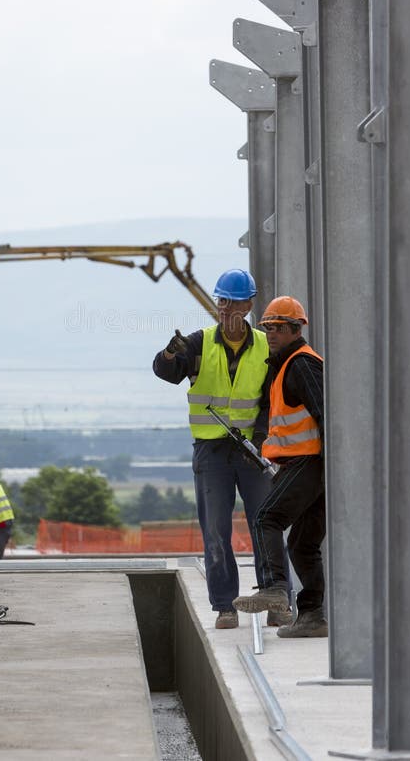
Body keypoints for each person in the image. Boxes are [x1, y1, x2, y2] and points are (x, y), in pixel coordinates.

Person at [153, 269, 292, 630]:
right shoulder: (199, 343)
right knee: (215, 529)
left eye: (235, 301)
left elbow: (272, 399)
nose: (227, 308)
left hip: (253, 452)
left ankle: (277, 599)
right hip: (211, 453)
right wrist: (169, 355)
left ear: (249, 304)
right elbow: (166, 372)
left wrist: (260, 439)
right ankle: (225, 606)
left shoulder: (265, 346)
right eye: (222, 301)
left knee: (266, 525)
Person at [233, 296, 327, 638]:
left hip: (309, 463)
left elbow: (324, 414)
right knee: (302, 544)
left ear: (295, 329)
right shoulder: (285, 364)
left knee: (265, 518)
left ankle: (274, 587)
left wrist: (327, 468)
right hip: (307, 464)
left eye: (277, 328)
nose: (270, 334)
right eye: (267, 328)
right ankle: (313, 616)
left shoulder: (302, 365)